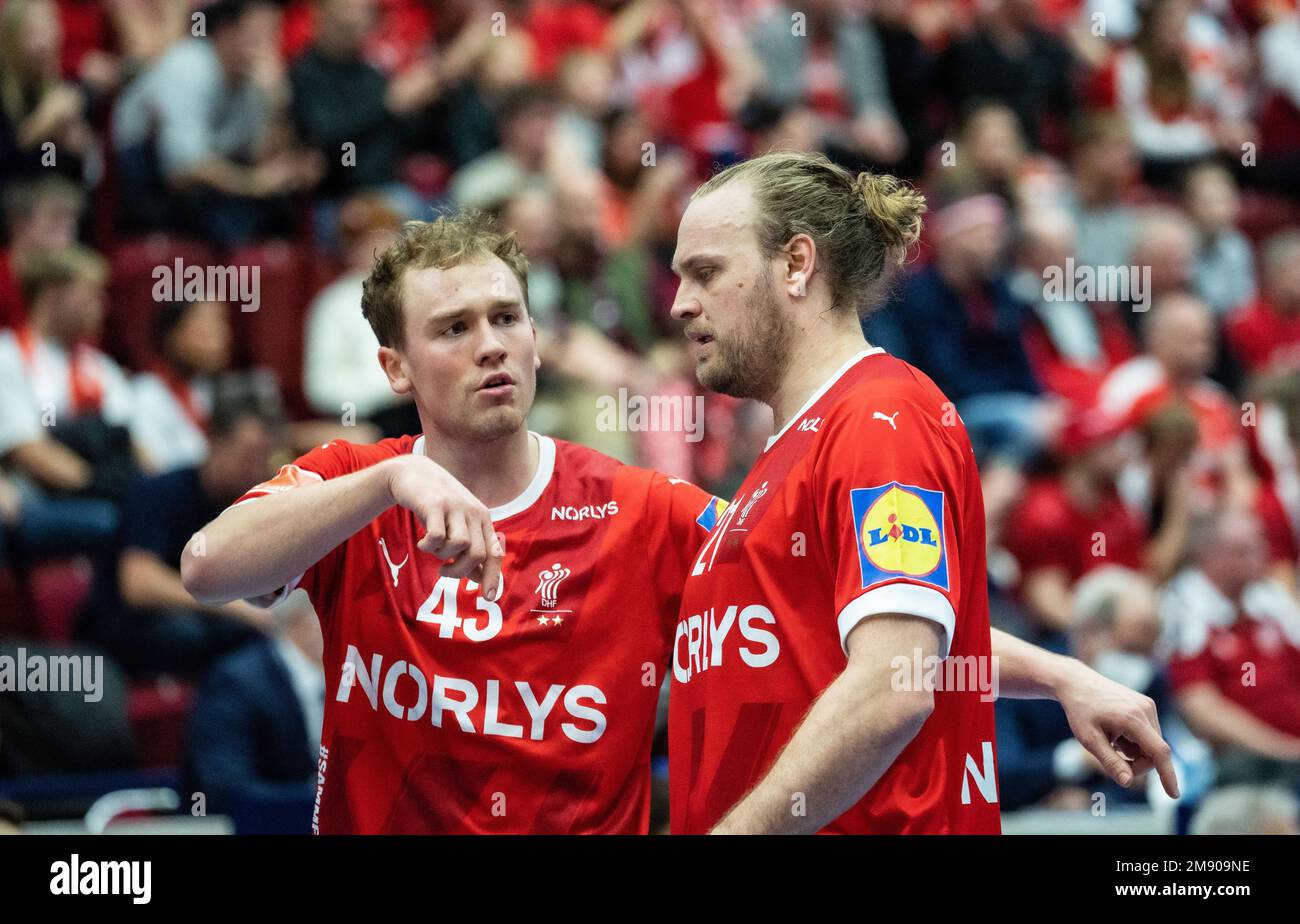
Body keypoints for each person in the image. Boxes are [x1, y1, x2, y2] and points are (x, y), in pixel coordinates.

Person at [183, 207, 1177, 834]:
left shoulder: (639, 509)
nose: (491, 347)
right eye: (453, 329)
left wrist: (1056, 673)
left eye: (507, 318)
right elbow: (207, 568)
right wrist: (386, 486)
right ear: (395, 370)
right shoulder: (349, 481)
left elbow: (853, 612)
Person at [663, 151, 1175, 834]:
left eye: (706, 272)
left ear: (796, 264)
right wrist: (1057, 674)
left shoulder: (879, 422)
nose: (678, 303)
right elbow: (894, 634)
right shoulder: (806, 442)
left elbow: (891, 689)